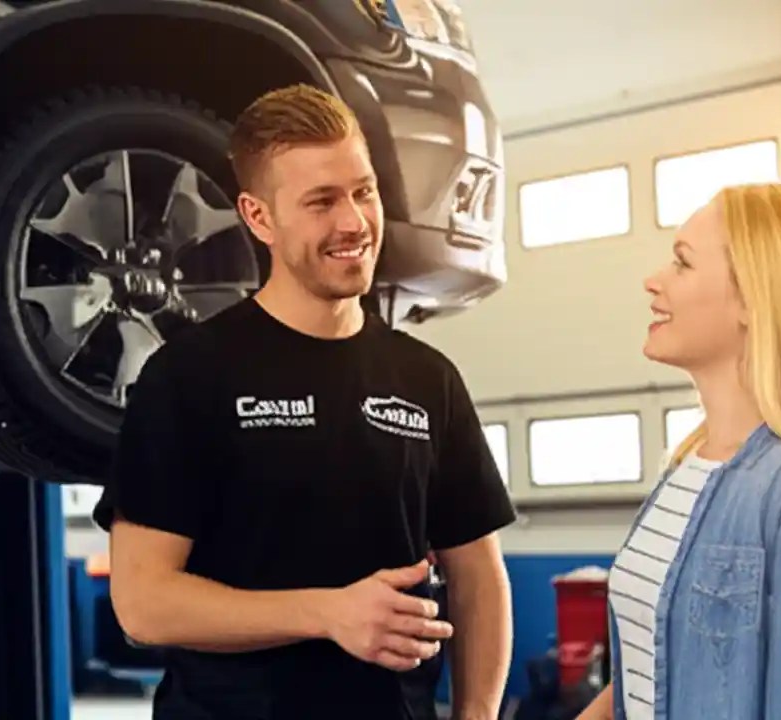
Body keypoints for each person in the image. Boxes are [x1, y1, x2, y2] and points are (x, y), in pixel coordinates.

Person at [93, 84, 516, 720]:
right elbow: (144, 602)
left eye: (363, 191)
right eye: (321, 201)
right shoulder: (190, 375)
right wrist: (327, 613)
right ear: (258, 217)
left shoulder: (427, 380)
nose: (353, 222)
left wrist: (477, 715)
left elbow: (480, 578)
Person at [576, 183, 781, 720]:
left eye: (682, 264)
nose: (652, 280)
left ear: (755, 299)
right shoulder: (687, 467)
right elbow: (647, 673)